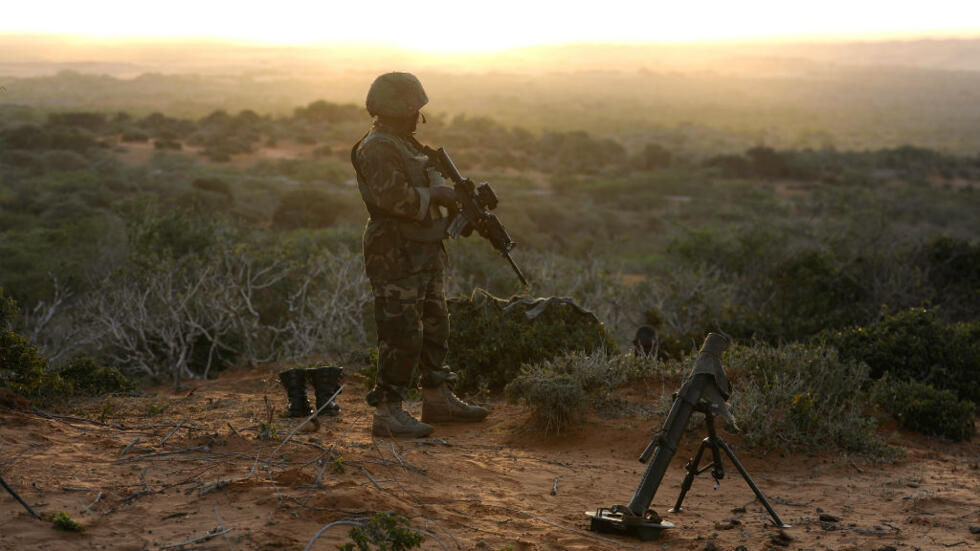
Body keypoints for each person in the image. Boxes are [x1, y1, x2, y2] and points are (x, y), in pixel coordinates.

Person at [351, 72, 489, 437]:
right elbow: (395, 200)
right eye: (413, 109)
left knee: (435, 323)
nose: (418, 115)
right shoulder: (378, 147)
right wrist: (438, 196)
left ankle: (438, 398)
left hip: (423, 247)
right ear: (397, 110)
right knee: (400, 331)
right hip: (394, 252)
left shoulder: (405, 144)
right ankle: (388, 411)